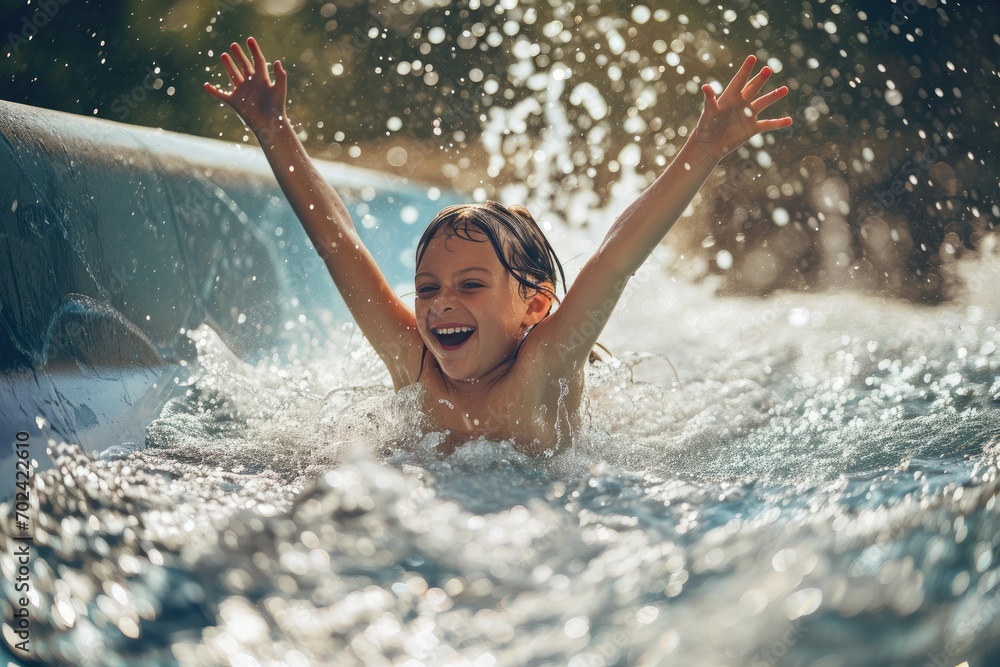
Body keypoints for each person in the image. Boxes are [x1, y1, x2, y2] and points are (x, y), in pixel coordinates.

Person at [205, 37, 792, 456]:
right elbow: (339, 244)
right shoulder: (414, 363)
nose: (440, 304)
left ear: (535, 306)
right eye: (428, 288)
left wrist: (705, 148)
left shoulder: (542, 368)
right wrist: (274, 130)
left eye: (471, 285)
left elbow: (615, 258)